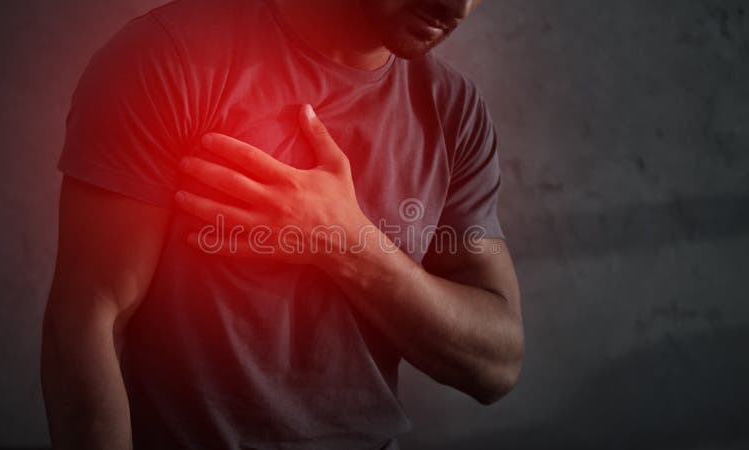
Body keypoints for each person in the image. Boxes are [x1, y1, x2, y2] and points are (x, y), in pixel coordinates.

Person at [40, 0, 524, 448]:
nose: (457, 5)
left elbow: (496, 364)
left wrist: (346, 243)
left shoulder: (454, 112)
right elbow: (87, 326)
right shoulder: (170, 59)